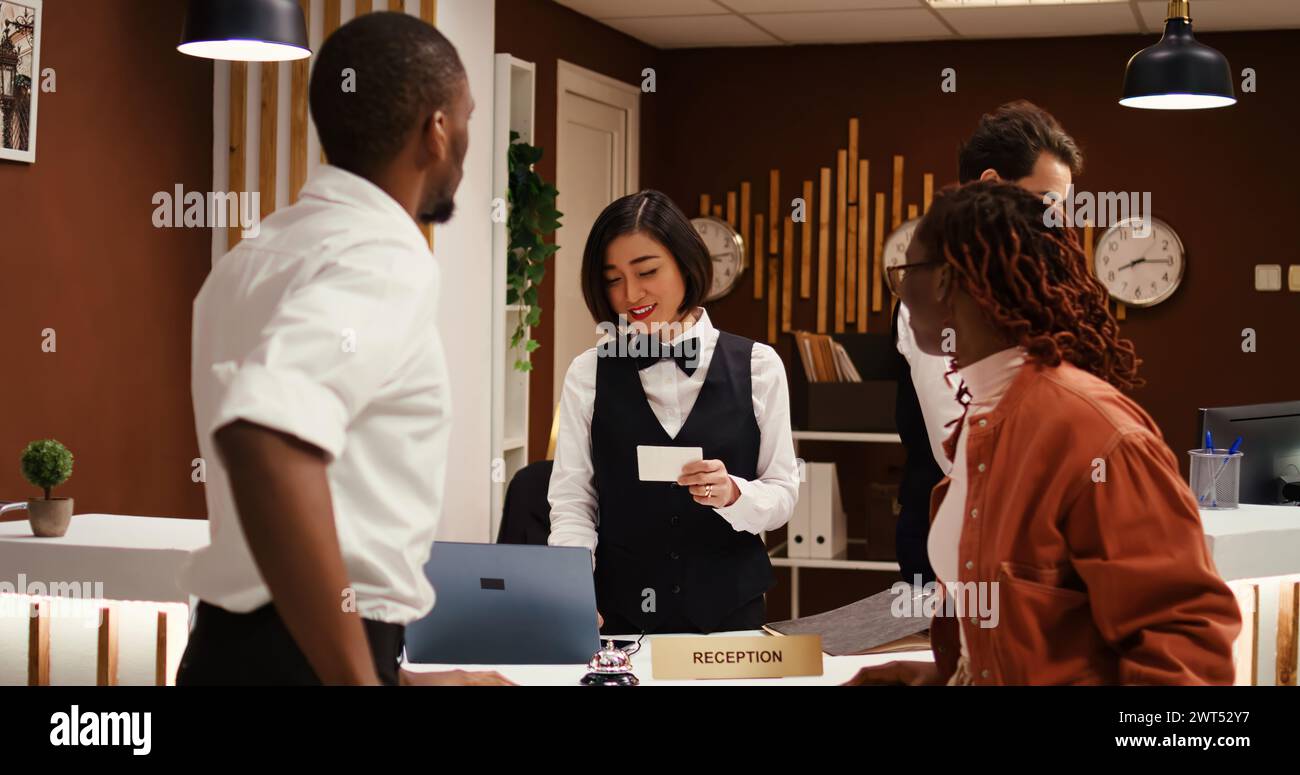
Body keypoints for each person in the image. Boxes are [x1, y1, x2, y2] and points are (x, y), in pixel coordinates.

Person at [179, 12, 508, 686]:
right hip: (309, 658)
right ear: (438, 130)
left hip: (231, 651)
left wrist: (401, 680)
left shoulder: (249, 261)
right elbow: (264, 431)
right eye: (467, 118)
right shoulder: (384, 256)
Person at [851, 181, 1240, 685]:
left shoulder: (1093, 431)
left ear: (947, 281)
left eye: (906, 273)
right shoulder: (984, 421)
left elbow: (1189, 652)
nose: (899, 292)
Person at [547, 190, 800, 635]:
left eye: (646, 271)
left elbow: (782, 492)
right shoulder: (587, 374)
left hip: (730, 623)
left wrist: (735, 494)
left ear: (686, 263)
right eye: (613, 279)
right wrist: (571, 591)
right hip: (620, 622)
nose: (630, 294)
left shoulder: (760, 366)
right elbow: (573, 503)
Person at [893, 100, 1084, 587]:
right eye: (1046, 204)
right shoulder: (939, 299)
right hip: (955, 543)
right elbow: (961, 442)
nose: (1056, 225)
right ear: (992, 186)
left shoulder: (1035, 293)